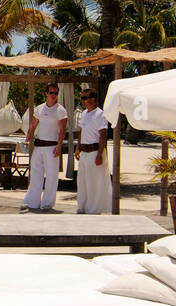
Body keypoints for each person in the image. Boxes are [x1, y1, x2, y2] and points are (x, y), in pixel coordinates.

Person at [22, 83, 68, 211]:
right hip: (39, 145)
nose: (53, 95)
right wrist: (27, 140)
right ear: (46, 94)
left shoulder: (61, 110)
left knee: (52, 176)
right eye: (51, 93)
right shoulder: (40, 108)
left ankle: (47, 203)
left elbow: (62, 130)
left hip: (52, 146)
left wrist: (59, 146)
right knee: (36, 173)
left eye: (56, 93)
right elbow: (32, 125)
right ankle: (32, 202)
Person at [77, 87, 111, 214]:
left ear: (95, 99)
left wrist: (99, 154)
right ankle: (82, 206)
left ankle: (94, 208)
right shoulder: (84, 114)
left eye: (90, 97)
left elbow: (103, 135)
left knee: (94, 182)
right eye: (84, 98)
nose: (87, 100)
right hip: (84, 152)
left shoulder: (100, 114)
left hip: (94, 151)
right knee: (83, 181)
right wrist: (77, 148)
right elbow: (82, 132)